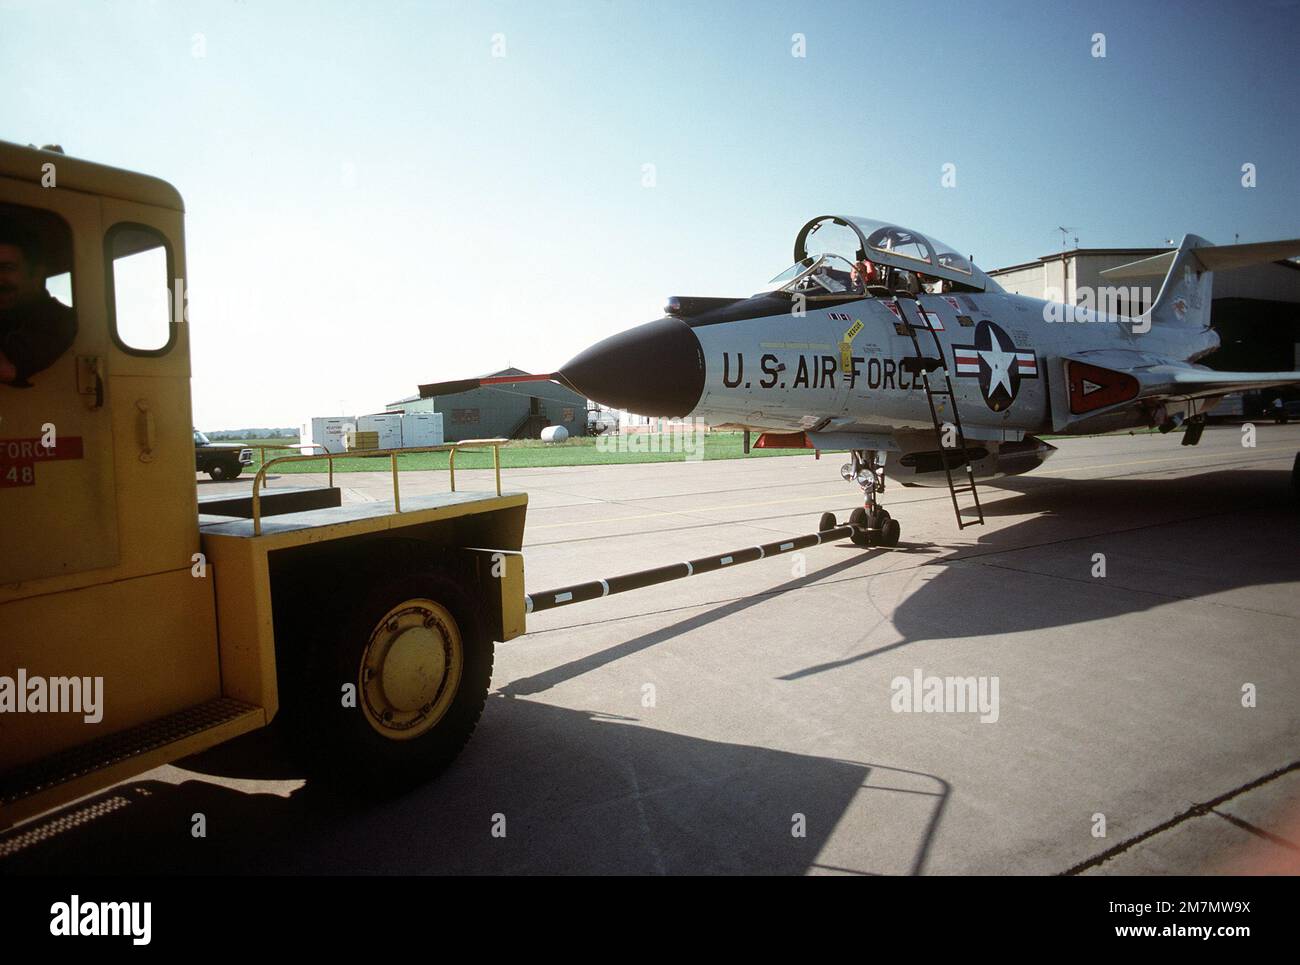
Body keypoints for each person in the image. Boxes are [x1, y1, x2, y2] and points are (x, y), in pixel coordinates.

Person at [0, 222, 77, 386]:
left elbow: (6, 371)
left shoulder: (57, 319)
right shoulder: (8, 313)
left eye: (7, 268)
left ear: (36, 275)